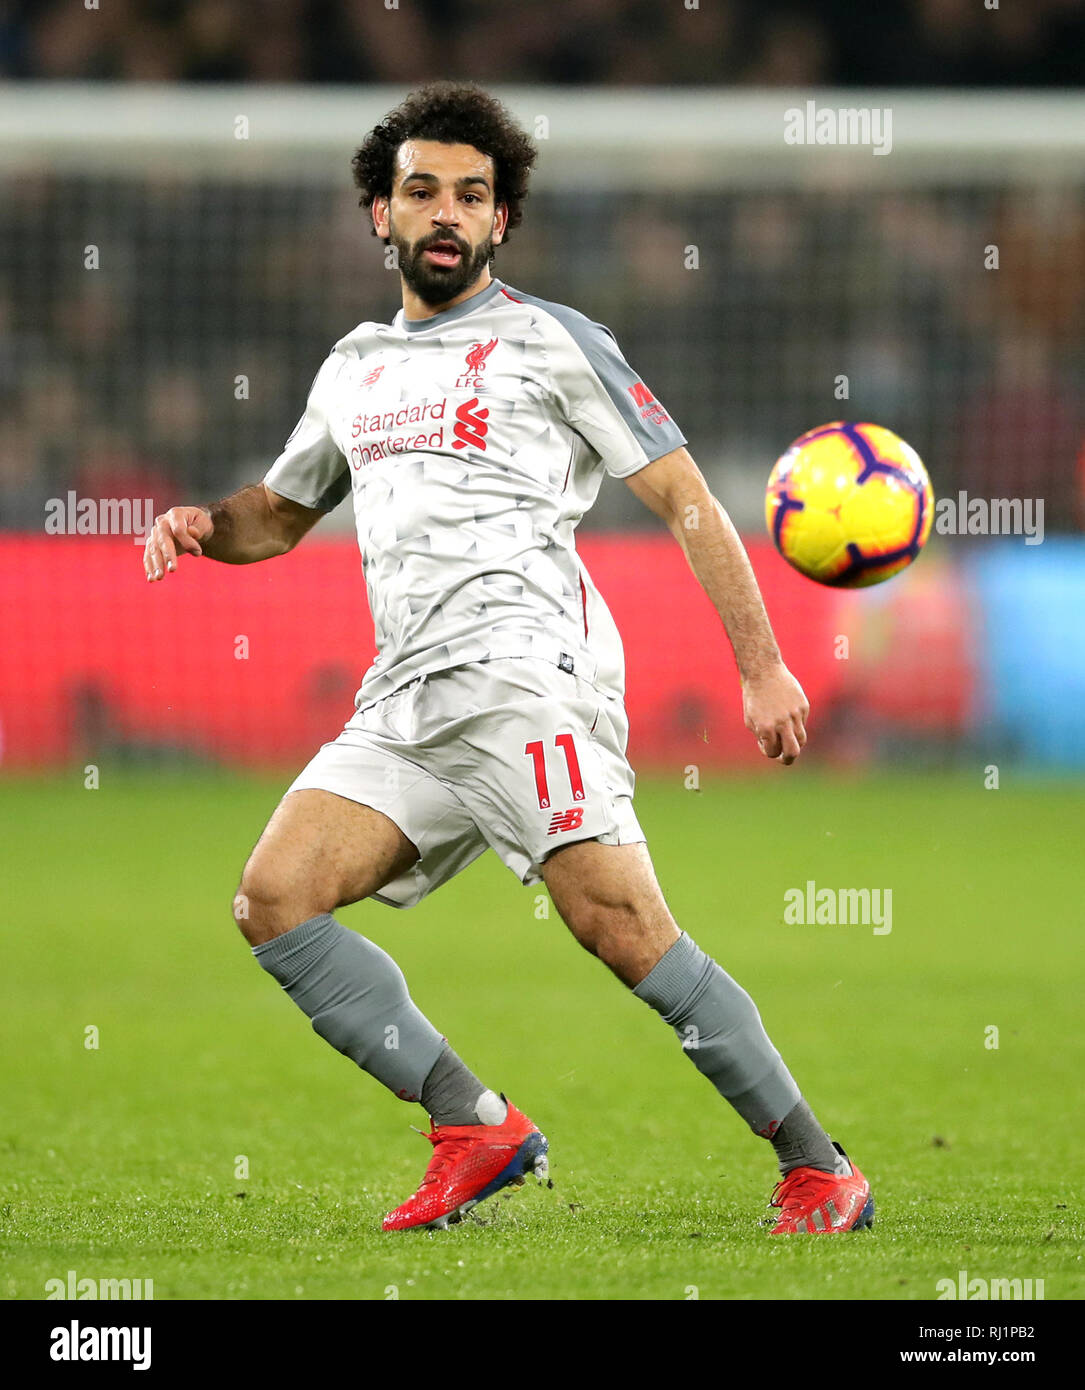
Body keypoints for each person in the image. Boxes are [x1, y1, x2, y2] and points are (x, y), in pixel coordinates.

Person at [143, 82, 872, 1235]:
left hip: (528, 676)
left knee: (623, 931)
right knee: (274, 898)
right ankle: (472, 1123)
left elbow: (683, 497)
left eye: (470, 196)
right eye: (421, 191)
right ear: (376, 215)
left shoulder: (549, 340)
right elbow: (275, 518)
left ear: (500, 222)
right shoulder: (353, 368)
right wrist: (201, 525)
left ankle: (818, 1165)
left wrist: (761, 663)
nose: (446, 213)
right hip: (407, 695)